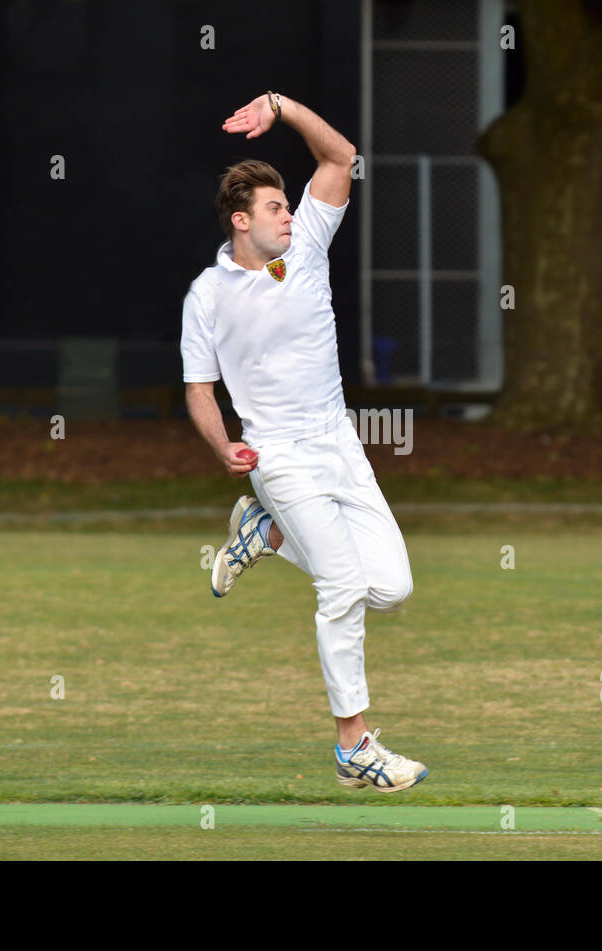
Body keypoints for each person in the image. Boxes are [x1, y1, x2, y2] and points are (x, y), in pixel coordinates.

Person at [180, 92, 427, 792]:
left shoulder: (307, 243)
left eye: (290, 205)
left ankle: (268, 535)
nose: (290, 214)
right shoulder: (208, 296)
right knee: (344, 585)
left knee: (392, 587)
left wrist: (281, 107)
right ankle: (355, 746)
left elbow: (343, 156)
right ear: (240, 222)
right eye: (274, 208)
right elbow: (200, 390)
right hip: (278, 453)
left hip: (338, 444)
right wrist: (223, 446)